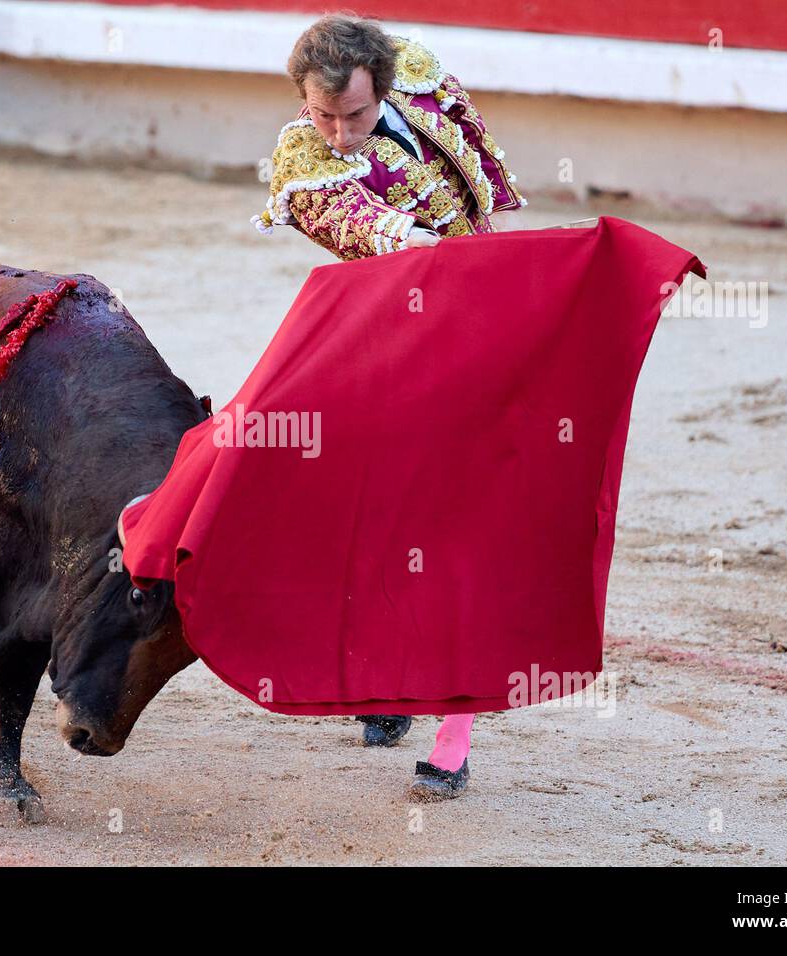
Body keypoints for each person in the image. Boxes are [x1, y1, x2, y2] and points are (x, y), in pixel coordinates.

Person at [253, 13, 525, 800]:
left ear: (388, 87)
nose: (336, 134)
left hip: (484, 329)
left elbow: (484, 163)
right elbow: (365, 225)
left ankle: (453, 736)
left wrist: (509, 251)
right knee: (378, 517)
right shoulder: (299, 161)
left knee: (465, 528)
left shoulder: (425, 74)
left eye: (355, 116)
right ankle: (382, 676)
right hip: (393, 341)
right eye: (321, 114)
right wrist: (467, 264)